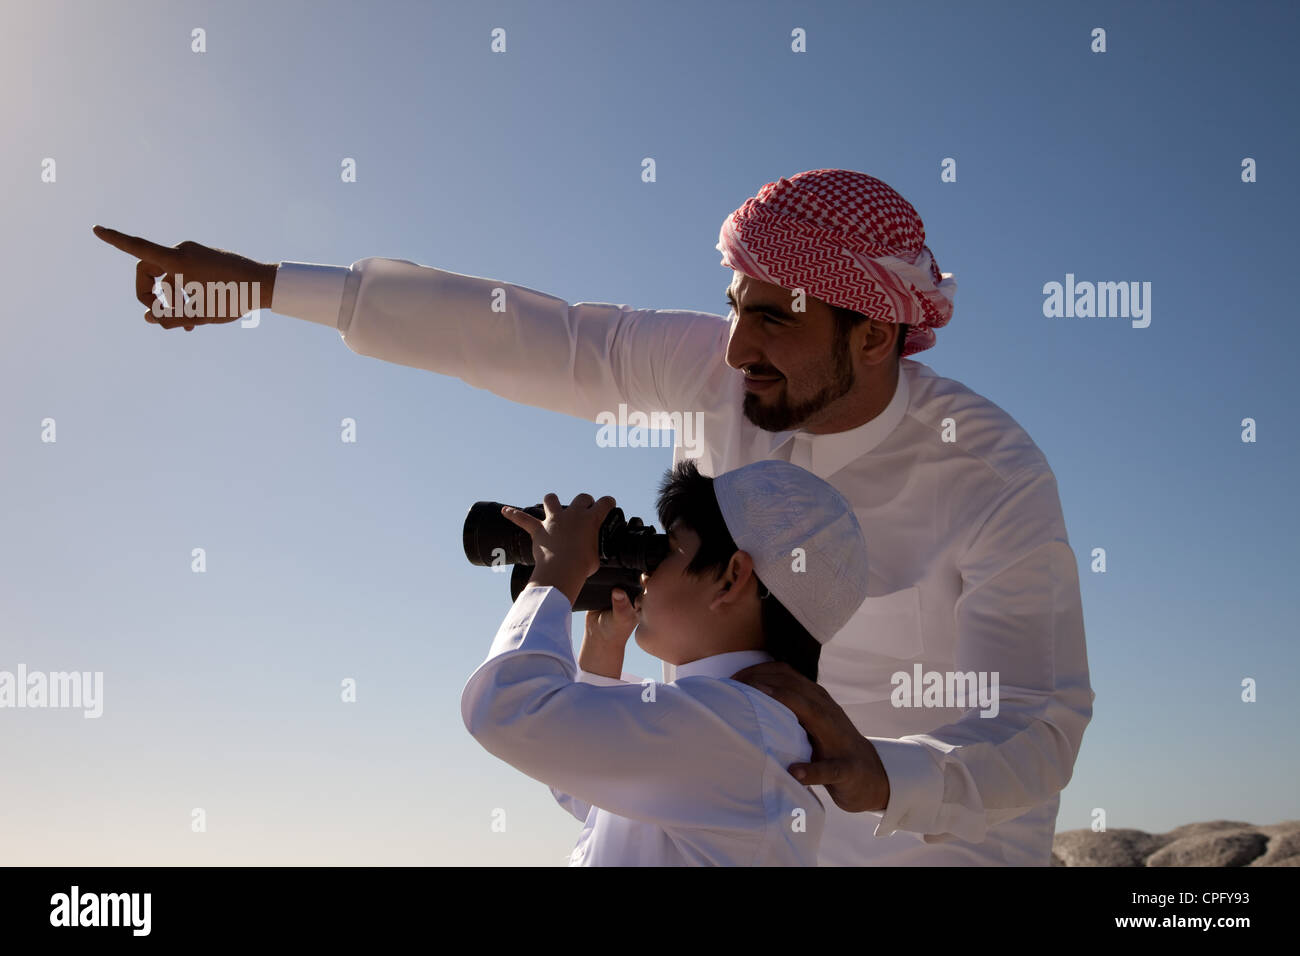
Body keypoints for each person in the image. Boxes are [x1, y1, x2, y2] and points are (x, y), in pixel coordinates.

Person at [92, 167, 1095, 866]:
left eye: (773, 317)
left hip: (929, 842)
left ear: (873, 335)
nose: (734, 344)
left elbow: (1042, 724)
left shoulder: (989, 469)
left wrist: (887, 775)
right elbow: (539, 338)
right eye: (734, 304)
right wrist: (267, 285)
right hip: (712, 820)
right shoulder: (726, 371)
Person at [461, 457, 869, 865]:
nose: (644, 573)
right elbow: (589, 792)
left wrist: (558, 570)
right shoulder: (742, 725)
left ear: (731, 578)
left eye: (669, 549)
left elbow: (506, 709)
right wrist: (601, 664)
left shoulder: (733, 724)